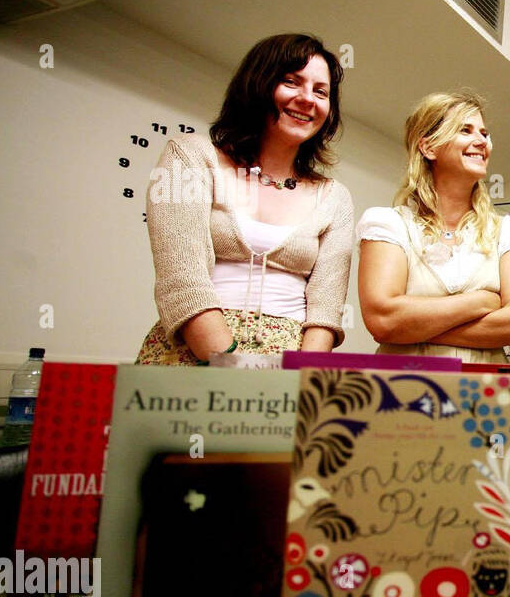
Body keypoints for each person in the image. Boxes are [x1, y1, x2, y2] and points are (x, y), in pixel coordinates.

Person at [137, 34, 354, 364]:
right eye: (291, 82)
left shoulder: (335, 197)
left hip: (291, 365)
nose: (308, 99)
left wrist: (302, 378)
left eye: (320, 91)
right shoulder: (190, 157)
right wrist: (233, 370)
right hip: (193, 354)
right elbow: (181, 281)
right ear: (258, 84)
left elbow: (326, 308)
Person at [357, 92, 510, 362]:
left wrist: (413, 329)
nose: (481, 141)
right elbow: (384, 320)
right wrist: (480, 302)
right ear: (428, 147)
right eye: (465, 130)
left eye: (484, 134)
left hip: (486, 397)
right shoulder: (388, 224)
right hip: (402, 393)